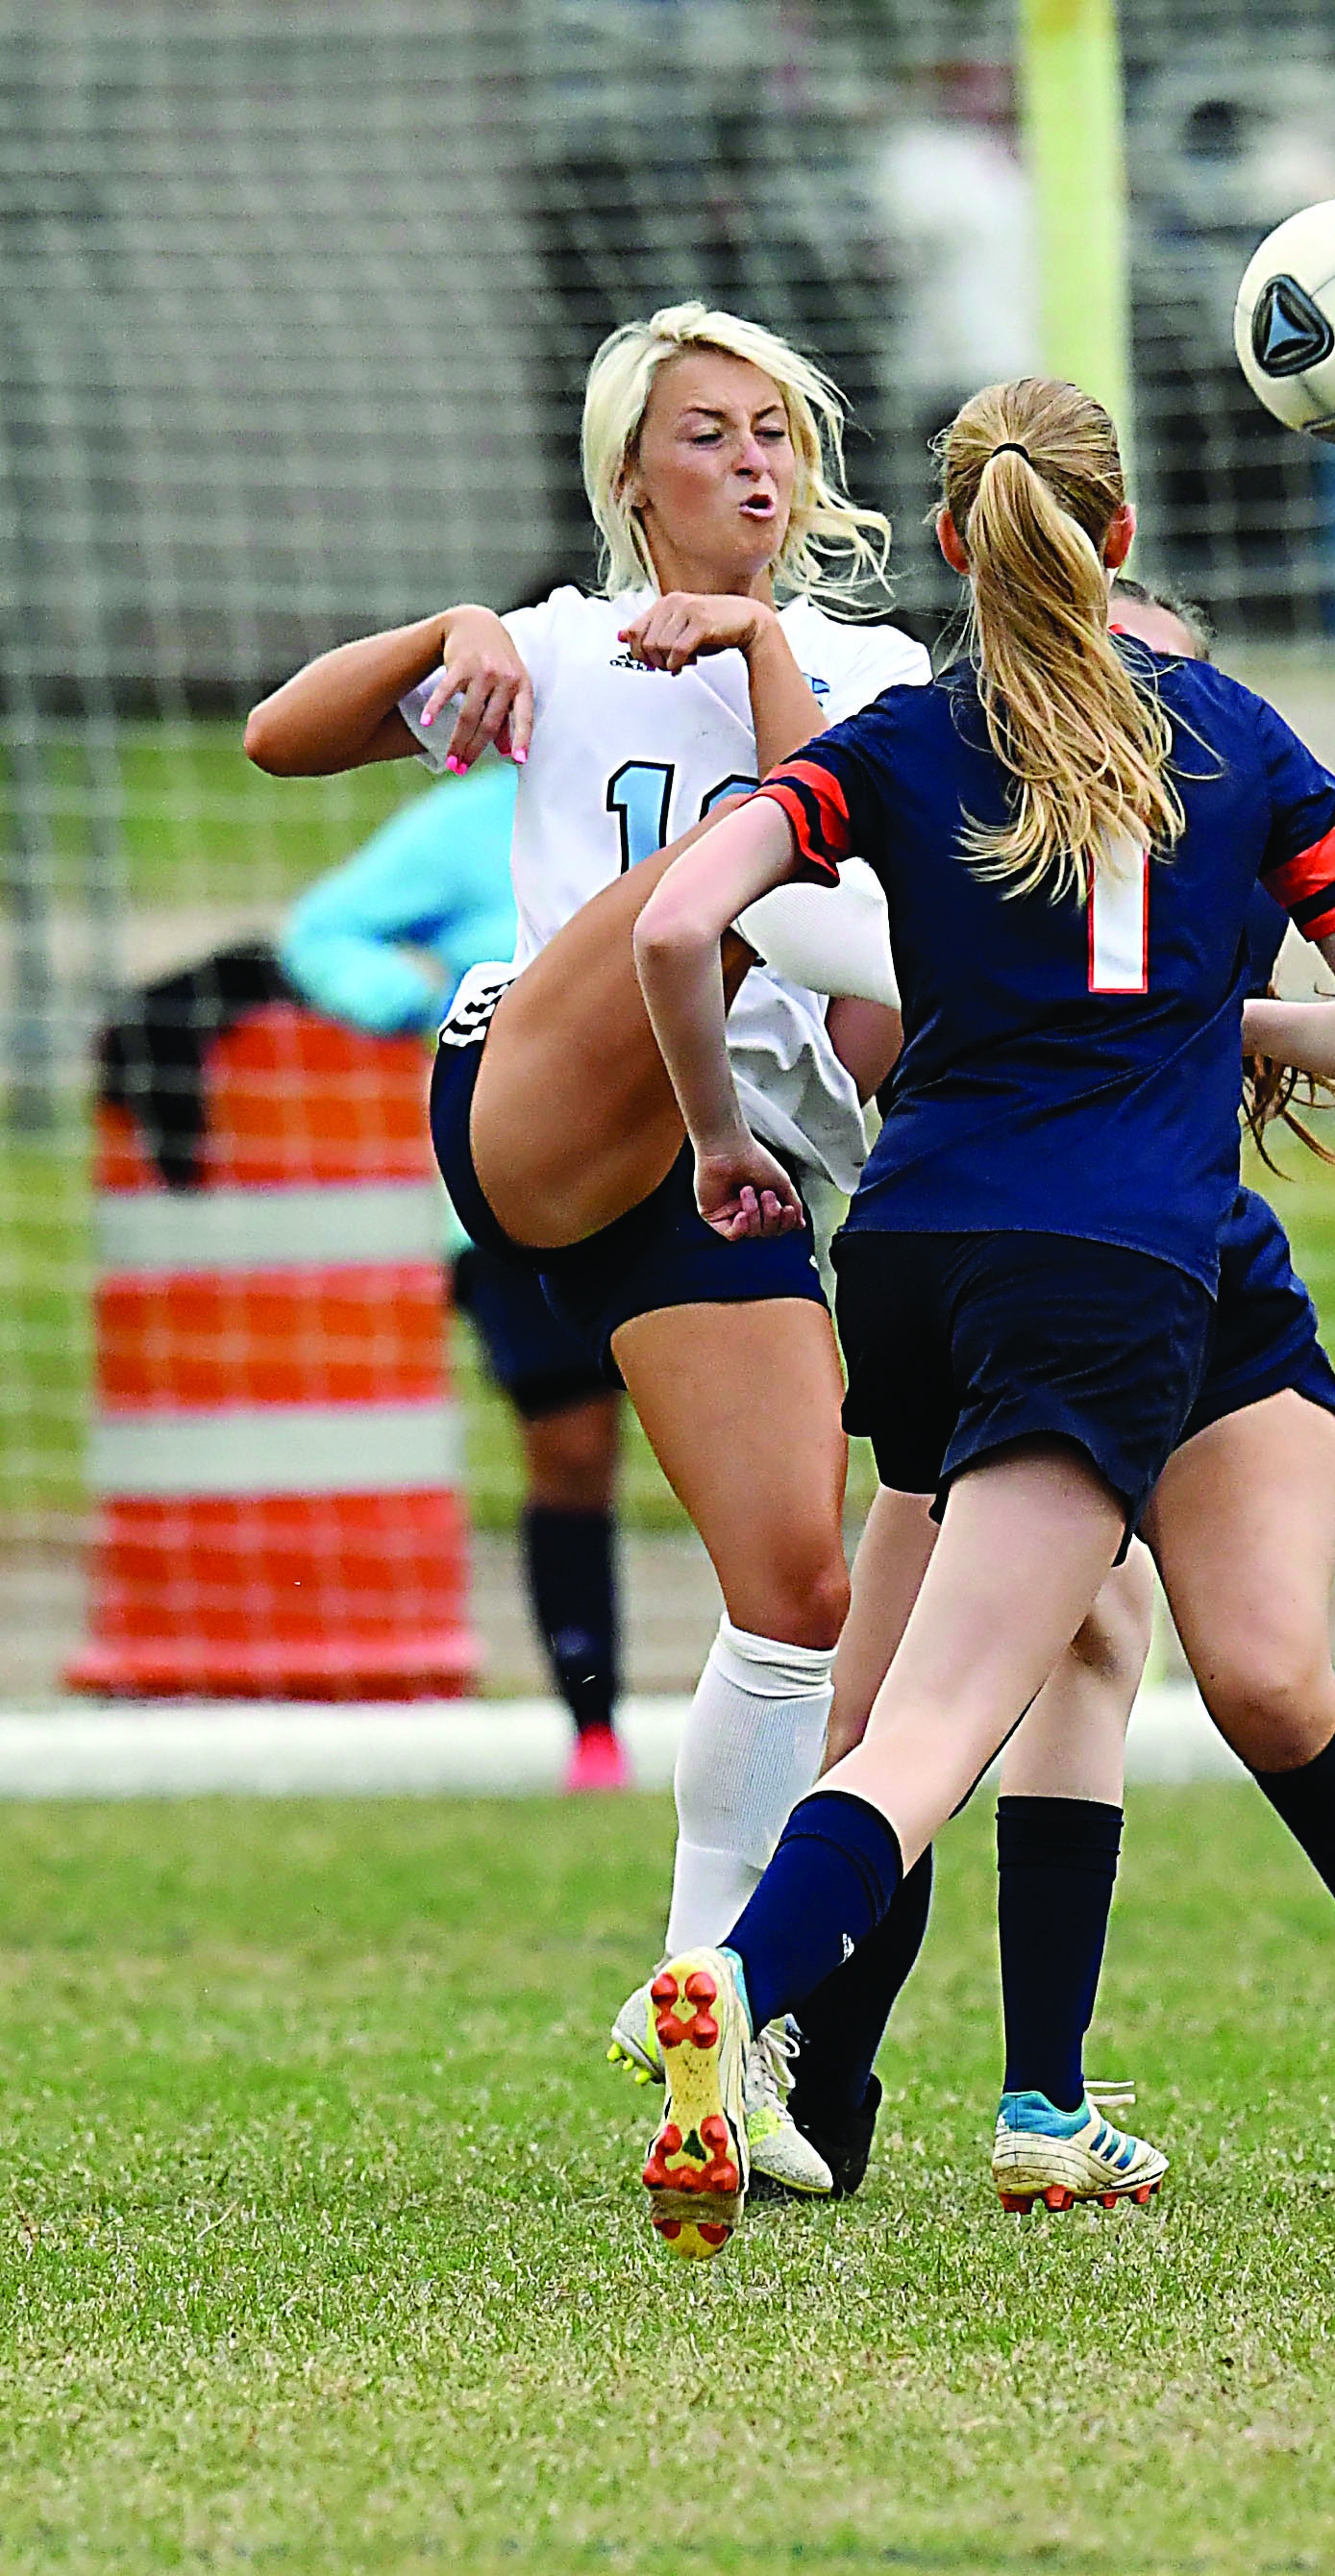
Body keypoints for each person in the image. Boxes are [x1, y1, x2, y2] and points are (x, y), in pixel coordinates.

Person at [629, 373, 1335, 2265]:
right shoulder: (1230, 731)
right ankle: (738, 1992)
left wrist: (720, 1136)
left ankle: (1080, 2087)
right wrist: (1203, 1020)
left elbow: (673, 927)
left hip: (936, 1248)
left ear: (954, 544)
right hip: (1104, 1263)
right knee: (928, 1724)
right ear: (1115, 537)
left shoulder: (909, 731)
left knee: (1160, 1663)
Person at [244, 301, 927, 2196]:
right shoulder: (556, 643)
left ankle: (718, 2020)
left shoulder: (866, 665)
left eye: (774, 433)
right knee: (704, 888)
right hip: (536, 1108)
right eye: (707, 434)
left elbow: (855, 891)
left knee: (799, 1594)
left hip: (722, 1182)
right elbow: (278, 739)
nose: (752, 464)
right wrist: (446, 634)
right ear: (630, 469)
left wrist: (767, 651)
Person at [277, 763, 631, 1793]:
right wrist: (423, 1002)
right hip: (517, 1193)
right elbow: (320, 930)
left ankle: (805, 1717)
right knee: (572, 1454)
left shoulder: (718, 770)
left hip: (708, 1166)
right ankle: (594, 1726)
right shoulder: (471, 823)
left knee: (763, 1463)